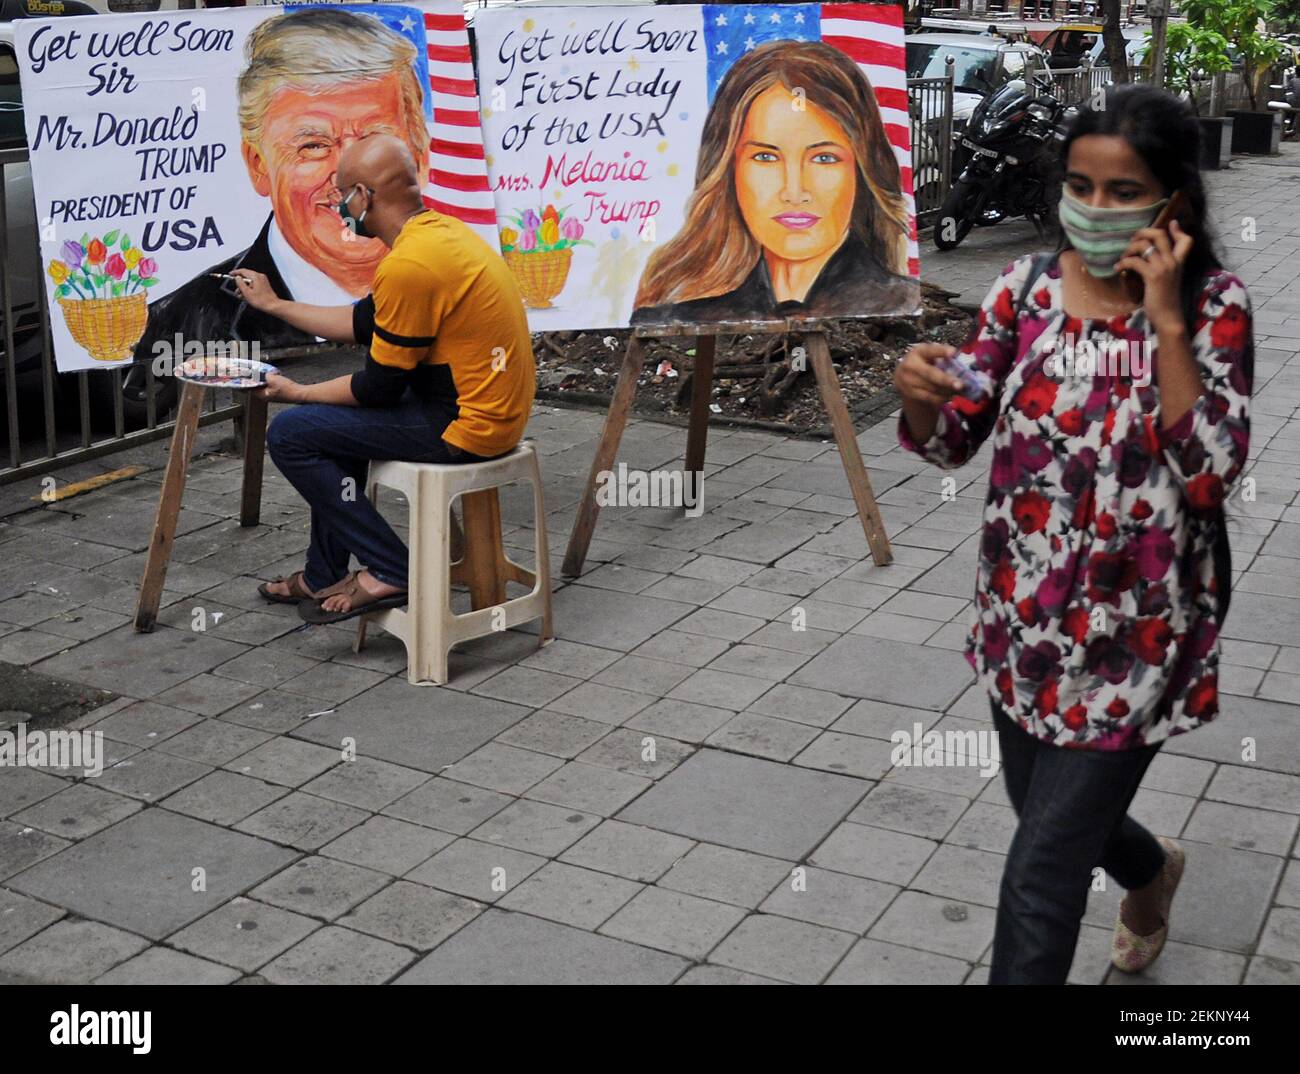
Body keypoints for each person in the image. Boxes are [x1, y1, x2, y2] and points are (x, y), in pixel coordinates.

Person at [894, 85, 1252, 984]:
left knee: (1040, 875)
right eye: (1081, 187)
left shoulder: (1214, 307)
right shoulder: (1024, 292)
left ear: (1173, 199)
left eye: (1124, 190)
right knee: (1041, 811)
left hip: (1142, 631)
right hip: (1025, 616)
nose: (1096, 209)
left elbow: (1208, 472)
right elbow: (955, 438)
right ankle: (1149, 867)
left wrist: (1164, 318)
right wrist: (919, 396)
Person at [241, 134, 535, 623]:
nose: (338, 206)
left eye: (341, 194)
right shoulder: (440, 235)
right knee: (327, 428)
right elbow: (362, 323)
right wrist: (274, 304)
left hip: (466, 426)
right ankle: (322, 573)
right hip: (486, 412)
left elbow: (378, 389)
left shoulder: (410, 265)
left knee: (292, 435)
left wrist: (296, 392)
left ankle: (392, 568)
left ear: (363, 197)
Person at [124, 8, 431, 402]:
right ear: (258, 166)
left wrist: (301, 395)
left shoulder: (435, 264)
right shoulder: (180, 314)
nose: (346, 176)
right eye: (314, 146)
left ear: (419, 155)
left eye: (373, 140)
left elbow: (380, 382)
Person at [631, 40, 919, 325]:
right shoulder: (676, 313)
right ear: (729, 169)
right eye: (766, 157)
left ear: (861, 169)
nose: (794, 191)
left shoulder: (896, 304)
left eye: (824, 158)